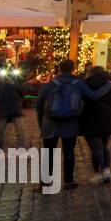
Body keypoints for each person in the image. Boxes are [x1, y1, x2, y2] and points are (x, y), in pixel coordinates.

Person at [36, 60, 85, 190]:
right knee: (69, 151)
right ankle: (69, 181)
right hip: (70, 121)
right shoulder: (78, 84)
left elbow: (39, 105)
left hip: (50, 122)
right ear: (73, 68)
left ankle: (46, 181)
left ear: (59, 69)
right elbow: (91, 96)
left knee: (48, 152)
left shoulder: (49, 84)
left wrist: (41, 122)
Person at [80, 66, 111, 184]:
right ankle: (106, 170)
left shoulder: (87, 84)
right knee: (104, 146)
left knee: (95, 149)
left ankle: (97, 173)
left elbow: (83, 99)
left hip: (91, 119)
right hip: (109, 120)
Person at [0, 69, 25, 149]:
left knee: (20, 131)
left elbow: (22, 91)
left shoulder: (15, 79)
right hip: (2, 110)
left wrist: (13, 83)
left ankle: (21, 148)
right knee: (0, 131)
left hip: (14, 109)